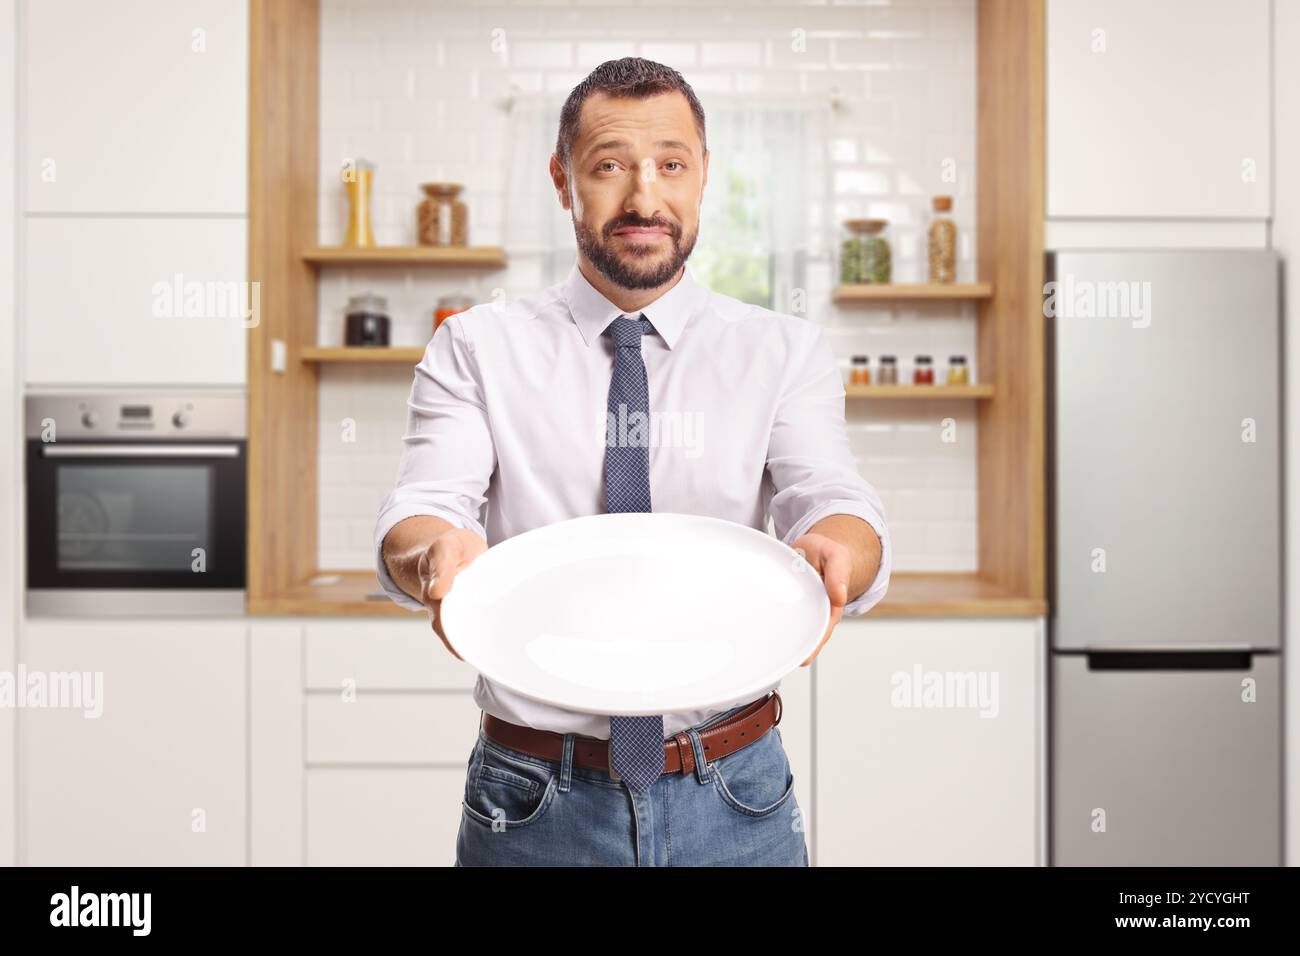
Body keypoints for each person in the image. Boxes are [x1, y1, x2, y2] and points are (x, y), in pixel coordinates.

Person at [375, 57, 890, 866]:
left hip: (736, 794)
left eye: (672, 166)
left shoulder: (783, 351)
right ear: (562, 178)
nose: (644, 198)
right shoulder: (476, 346)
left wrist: (841, 551)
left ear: (704, 175)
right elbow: (422, 508)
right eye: (610, 165)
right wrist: (432, 554)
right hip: (532, 799)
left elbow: (830, 495)